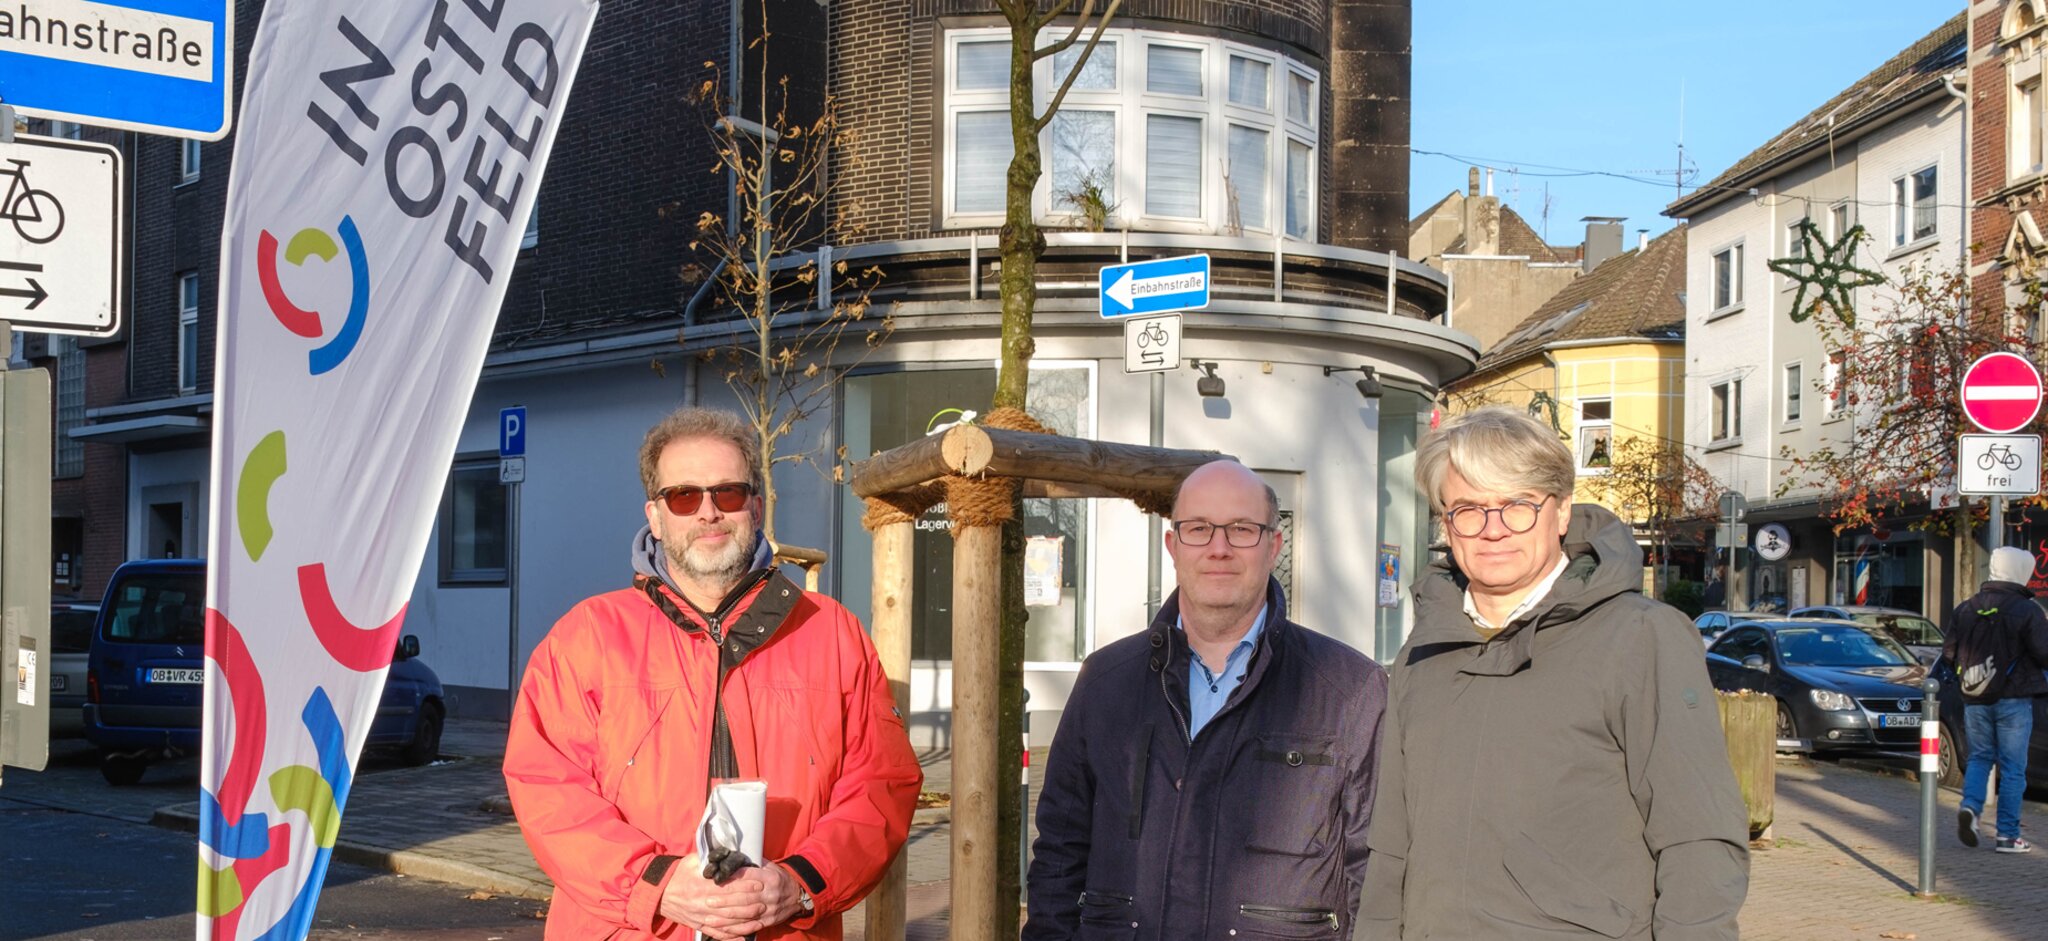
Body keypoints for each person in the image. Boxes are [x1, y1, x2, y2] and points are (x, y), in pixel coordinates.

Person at [504, 407, 922, 940]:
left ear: (756, 505)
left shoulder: (833, 634)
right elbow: (547, 788)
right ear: (655, 516)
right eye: (684, 496)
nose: (708, 513)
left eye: (726, 493)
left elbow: (880, 785)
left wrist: (801, 883)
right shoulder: (587, 637)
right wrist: (656, 883)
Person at [1354, 406, 1748, 940]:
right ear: (1445, 523)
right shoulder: (1423, 655)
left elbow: (1699, 840)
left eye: (1517, 506)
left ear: (1561, 512)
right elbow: (1392, 844)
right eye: (1467, 509)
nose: (1492, 530)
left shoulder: (1640, 638)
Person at [1025, 459, 1388, 940]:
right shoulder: (1106, 682)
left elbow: (1378, 877)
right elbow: (1060, 857)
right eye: (1199, 529)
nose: (1219, 549)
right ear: (1173, 546)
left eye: (1242, 529)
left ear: (1273, 545)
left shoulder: (1348, 691)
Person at [1944, 545, 2048, 854]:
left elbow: (1948, 653)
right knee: (2014, 768)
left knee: (1980, 757)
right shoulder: (2029, 610)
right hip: (2014, 699)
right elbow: (2044, 653)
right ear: (2020, 572)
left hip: (1975, 696)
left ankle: (1971, 809)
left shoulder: (1965, 608)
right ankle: (2006, 835)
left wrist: (1973, 674)